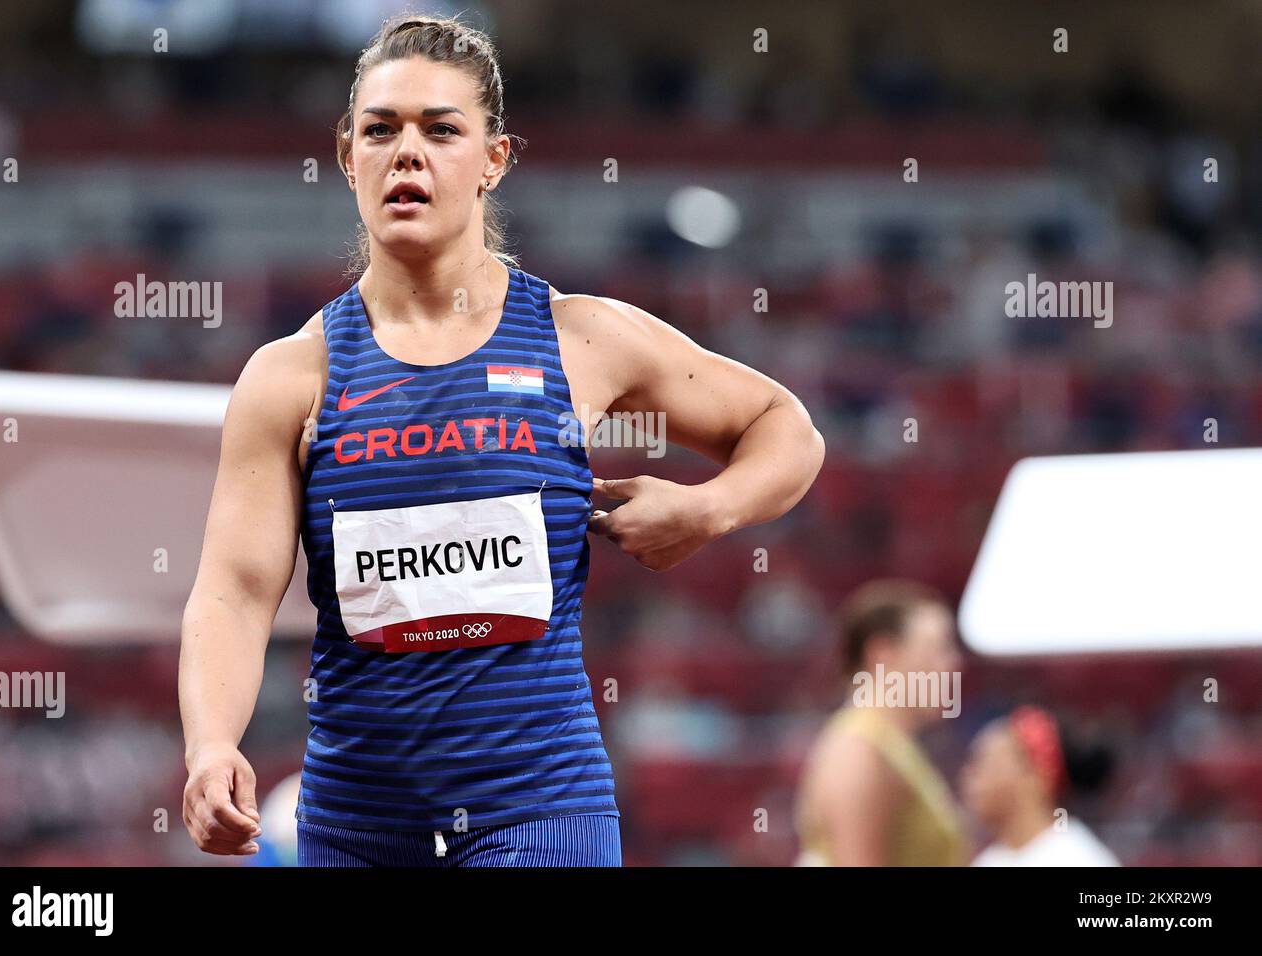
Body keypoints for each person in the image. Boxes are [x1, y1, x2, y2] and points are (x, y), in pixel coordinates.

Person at [178, 13, 825, 867]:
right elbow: (232, 590)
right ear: (347, 157)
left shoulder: (580, 341)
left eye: (441, 129)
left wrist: (707, 511)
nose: (407, 152)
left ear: (493, 160)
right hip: (356, 826)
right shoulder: (291, 379)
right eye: (381, 130)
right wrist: (212, 744)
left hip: (542, 814)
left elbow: (788, 431)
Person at [795, 579, 967, 865]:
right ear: (882, 654)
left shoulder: (887, 745)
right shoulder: (858, 750)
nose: (953, 664)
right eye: (938, 648)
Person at [961, 706, 1120, 866]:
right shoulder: (989, 860)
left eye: (983, 763)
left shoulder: (1078, 859)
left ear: (1035, 775)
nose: (967, 776)